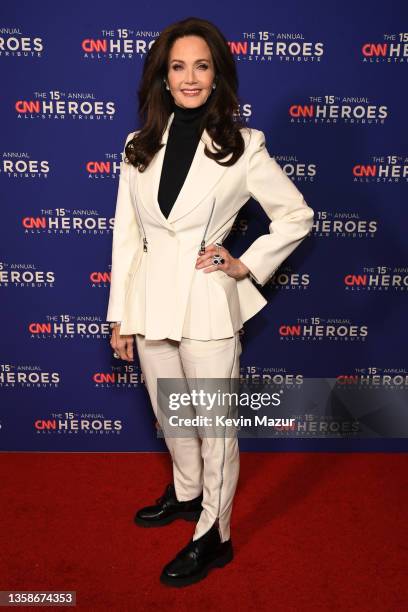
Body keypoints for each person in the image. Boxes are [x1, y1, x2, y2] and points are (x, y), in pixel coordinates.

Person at [107, 17, 314, 587]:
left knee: (214, 427)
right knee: (174, 419)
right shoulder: (137, 145)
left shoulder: (243, 147)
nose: (190, 77)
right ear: (163, 77)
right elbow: (127, 233)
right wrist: (120, 313)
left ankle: (214, 533)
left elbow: (297, 215)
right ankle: (187, 492)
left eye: (202, 66)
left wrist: (246, 262)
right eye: (178, 66)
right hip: (150, 304)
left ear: (218, 75)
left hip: (205, 304)